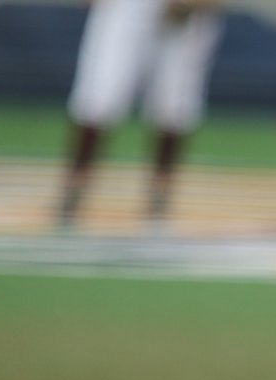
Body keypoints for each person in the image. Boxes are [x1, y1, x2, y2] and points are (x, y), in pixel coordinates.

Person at [57, 0, 223, 229]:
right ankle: (75, 184)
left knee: (175, 101)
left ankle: (160, 189)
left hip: (187, 14)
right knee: (101, 93)